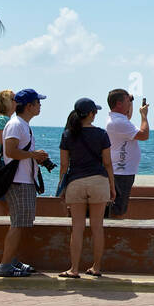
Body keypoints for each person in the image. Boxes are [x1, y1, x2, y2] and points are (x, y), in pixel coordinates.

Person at [55, 97, 115, 279]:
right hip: (98, 181)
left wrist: (61, 188)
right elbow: (108, 163)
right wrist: (112, 186)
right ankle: (96, 267)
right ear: (91, 114)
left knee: (77, 227)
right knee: (97, 227)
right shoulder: (102, 134)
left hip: (76, 183)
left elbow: (64, 166)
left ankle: (74, 268)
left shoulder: (67, 134)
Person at [0, 89, 49, 278]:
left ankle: (11, 260)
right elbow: (10, 151)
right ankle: (5, 265)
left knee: (20, 223)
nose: (40, 106)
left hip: (24, 180)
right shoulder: (16, 125)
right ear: (29, 106)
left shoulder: (22, 125)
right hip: (18, 182)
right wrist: (34, 155)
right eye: (37, 102)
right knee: (18, 224)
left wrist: (35, 157)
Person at [105, 88, 149, 217]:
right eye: (127, 101)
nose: (129, 104)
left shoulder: (117, 119)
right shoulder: (118, 122)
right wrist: (144, 116)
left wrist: (131, 101)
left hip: (121, 170)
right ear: (119, 104)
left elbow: (128, 116)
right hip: (121, 172)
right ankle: (113, 234)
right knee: (117, 209)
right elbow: (144, 135)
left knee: (118, 207)